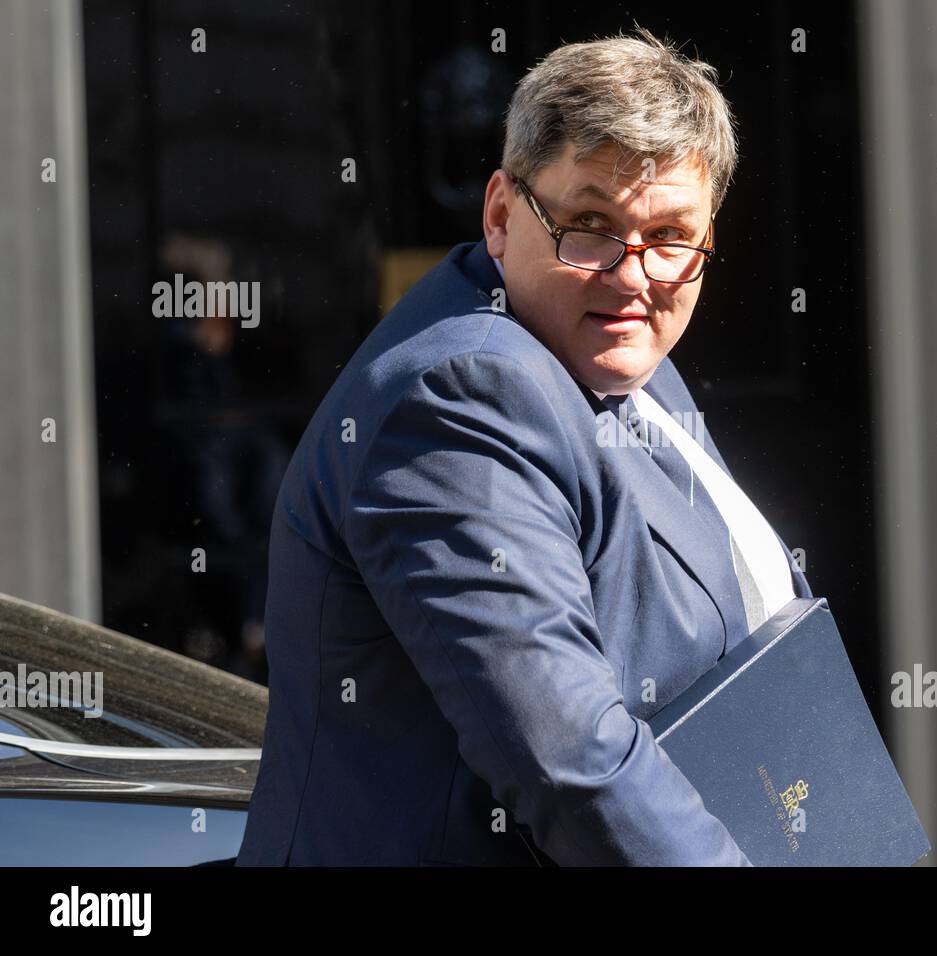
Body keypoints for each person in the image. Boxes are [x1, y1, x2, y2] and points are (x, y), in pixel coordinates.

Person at [237, 26, 811, 868]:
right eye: (589, 223)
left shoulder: (616, 356)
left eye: (673, 237)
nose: (633, 274)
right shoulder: (462, 395)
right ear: (503, 215)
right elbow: (573, 761)